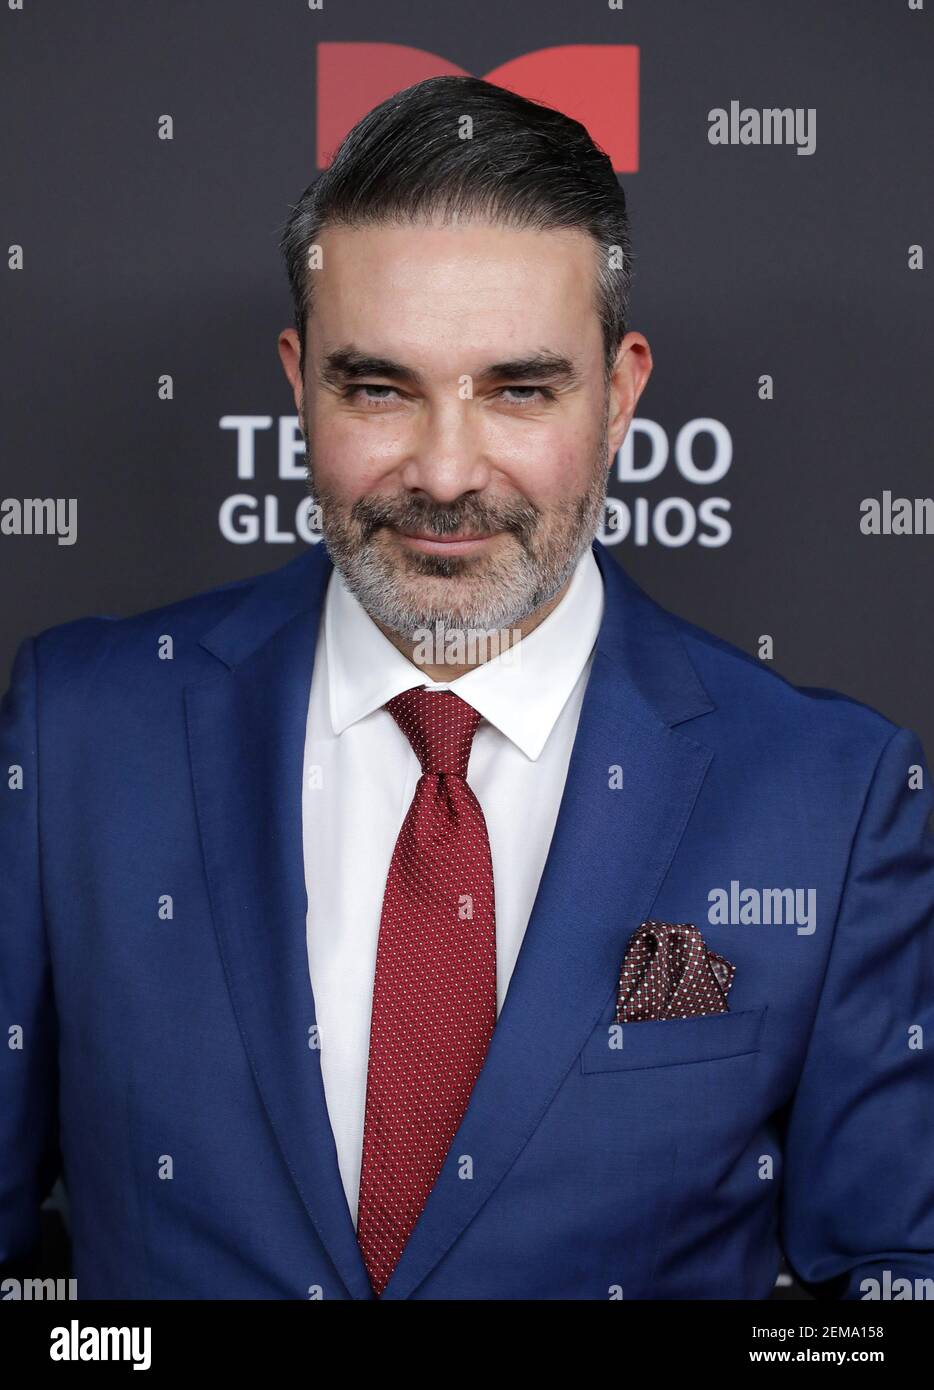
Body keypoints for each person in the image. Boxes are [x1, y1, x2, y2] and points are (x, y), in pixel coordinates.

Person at [2, 75, 932, 1301]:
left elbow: (886, 1278)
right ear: (297, 382)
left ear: (621, 395)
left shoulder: (831, 797)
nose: (444, 473)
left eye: (519, 389)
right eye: (378, 387)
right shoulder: (79, 732)